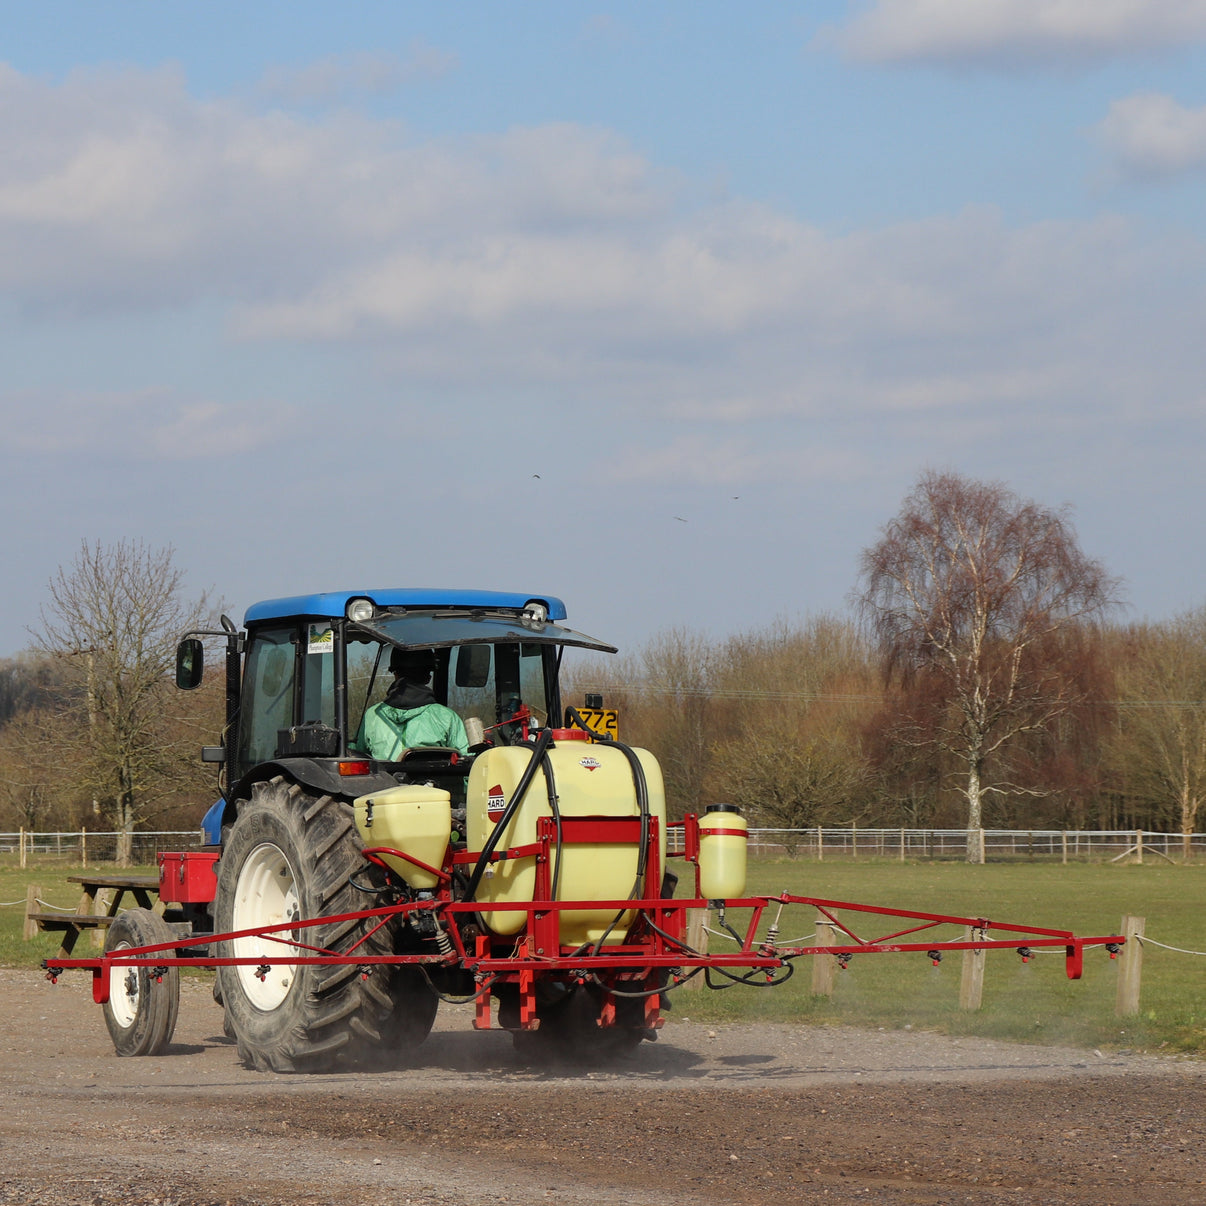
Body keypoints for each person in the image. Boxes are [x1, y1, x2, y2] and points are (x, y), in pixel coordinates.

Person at [359, 647, 469, 759]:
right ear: (428, 678)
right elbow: (467, 758)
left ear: (396, 675)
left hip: (384, 772)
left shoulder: (373, 715)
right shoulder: (447, 717)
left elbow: (358, 755)